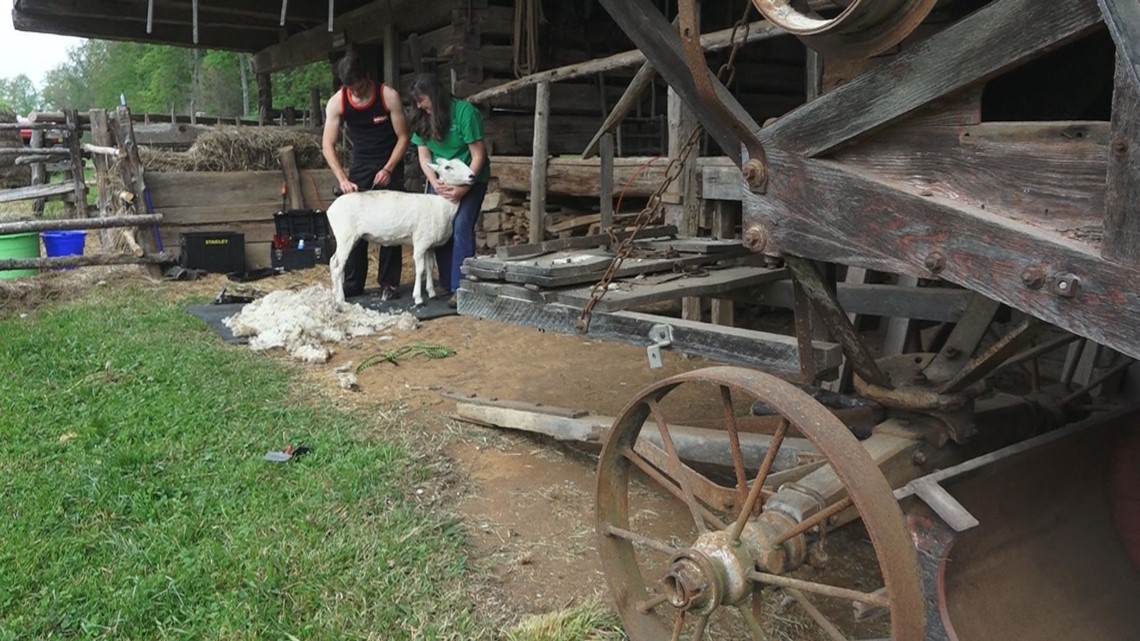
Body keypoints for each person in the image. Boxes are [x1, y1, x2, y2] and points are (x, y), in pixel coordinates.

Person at [321, 50, 410, 300]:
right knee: (355, 223)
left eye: (360, 87)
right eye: (351, 88)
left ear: (367, 77)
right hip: (360, 164)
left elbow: (404, 137)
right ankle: (353, 283)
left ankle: (389, 283)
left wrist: (389, 168)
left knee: (392, 223)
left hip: (389, 161)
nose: (357, 93)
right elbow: (328, 145)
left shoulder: (388, 96)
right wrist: (342, 179)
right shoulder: (337, 102)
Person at [407, 73, 490, 307]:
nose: (420, 105)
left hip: (469, 177)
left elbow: (478, 155)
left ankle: (461, 287)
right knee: (438, 227)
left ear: (435, 95)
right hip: (441, 178)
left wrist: (464, 187)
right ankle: (446, 281)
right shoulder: (422, 116)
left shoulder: (464, 113)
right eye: (417, 101)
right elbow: (424, 154)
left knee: (462, 224)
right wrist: (434, 181)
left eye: (423, 99)